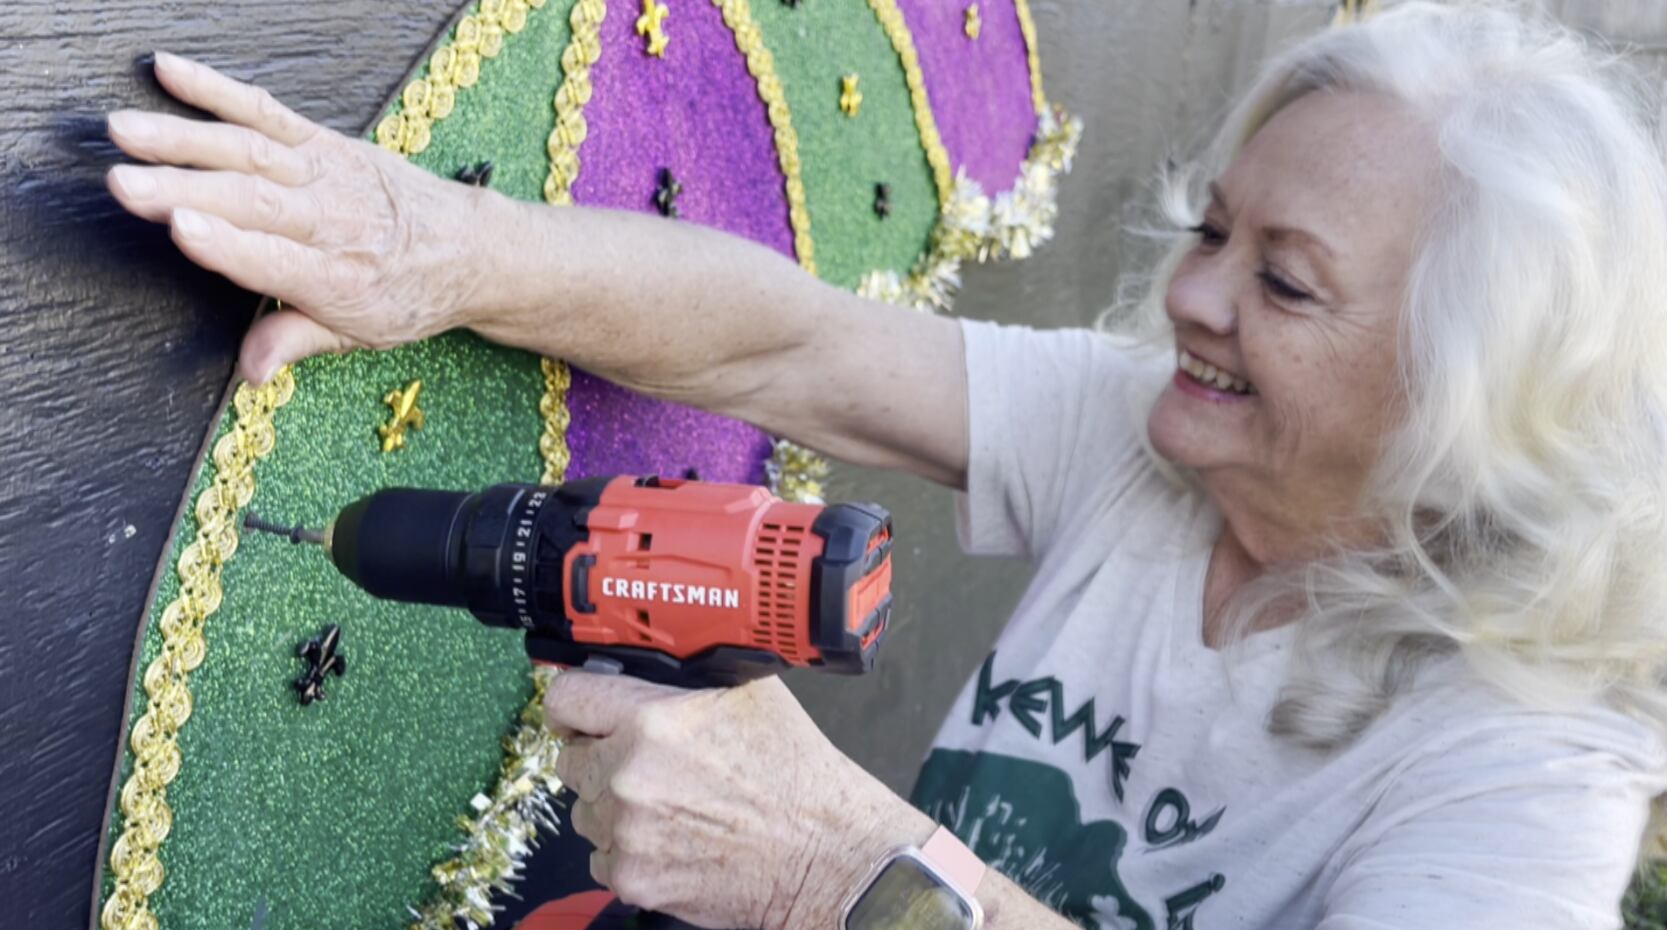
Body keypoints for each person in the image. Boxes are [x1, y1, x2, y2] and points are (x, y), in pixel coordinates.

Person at [103, 2, 1667, 927]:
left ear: (1466, 391)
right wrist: (444, 245)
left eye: (1286, 281)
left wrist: (854, 870)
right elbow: (792, 346)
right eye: (1214, 229)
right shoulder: (1168, 443)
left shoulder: (1529, 761)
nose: (1193, 296)